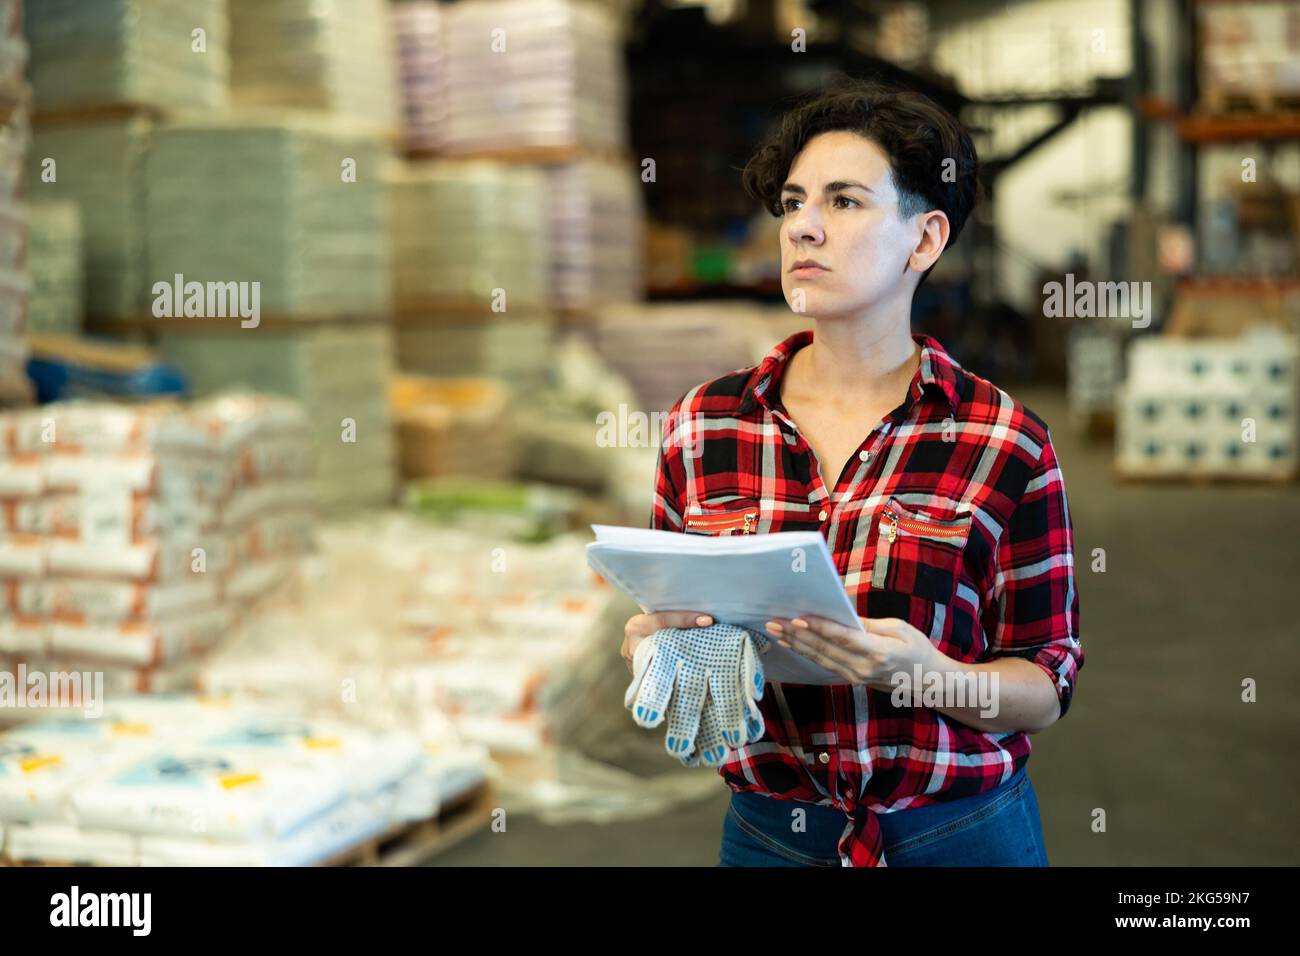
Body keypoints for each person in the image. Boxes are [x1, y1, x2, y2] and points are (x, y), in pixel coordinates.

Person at [620, 76, 1082, 867]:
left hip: (957, 837)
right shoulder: (706, 426)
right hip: (771, 836)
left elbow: (1044, 683)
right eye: (794, 203)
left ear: (925, 239)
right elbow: (671, 614)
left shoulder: (1004, 441)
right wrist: (655, 642)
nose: (802, 227)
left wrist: (930, 677)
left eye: (843, 202)